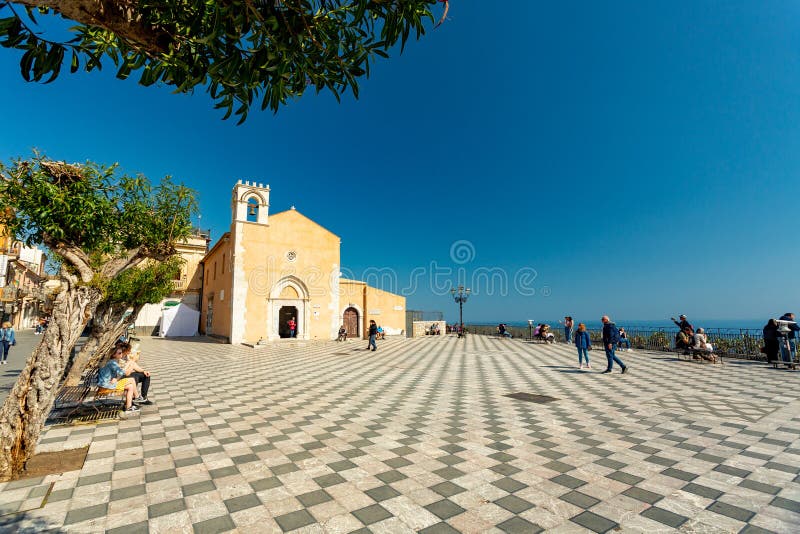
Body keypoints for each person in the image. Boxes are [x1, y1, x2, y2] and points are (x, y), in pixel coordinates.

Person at [97, 343, 138, 413]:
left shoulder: (113, 362)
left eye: (121, 352)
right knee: (131, 379)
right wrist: (130, 363)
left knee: (130, 386)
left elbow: (118, 373)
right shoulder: (112, 363)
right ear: (114, 355)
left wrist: (115, 378)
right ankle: (137, 397)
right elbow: (123, 373)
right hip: (106, 386)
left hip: (107, 384)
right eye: (119, 353)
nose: (121, 354)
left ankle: (128, 407)